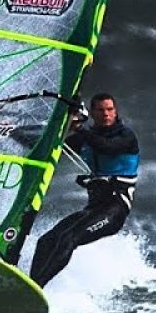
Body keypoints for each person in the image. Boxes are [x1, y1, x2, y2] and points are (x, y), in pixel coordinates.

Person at [28, 92, 139, 287]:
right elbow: (47, 144)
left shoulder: (126, 137)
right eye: (101, 110)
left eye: (110, 109)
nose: (106, 114)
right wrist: (10, 130)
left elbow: (107, 148)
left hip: (114, 210)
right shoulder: (85, 139)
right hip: (92, 209)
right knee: (46, 240)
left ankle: (37, 286)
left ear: (115, 112)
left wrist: (78, 128)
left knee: (70, 238)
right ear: (93, 113)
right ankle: (27, 285)